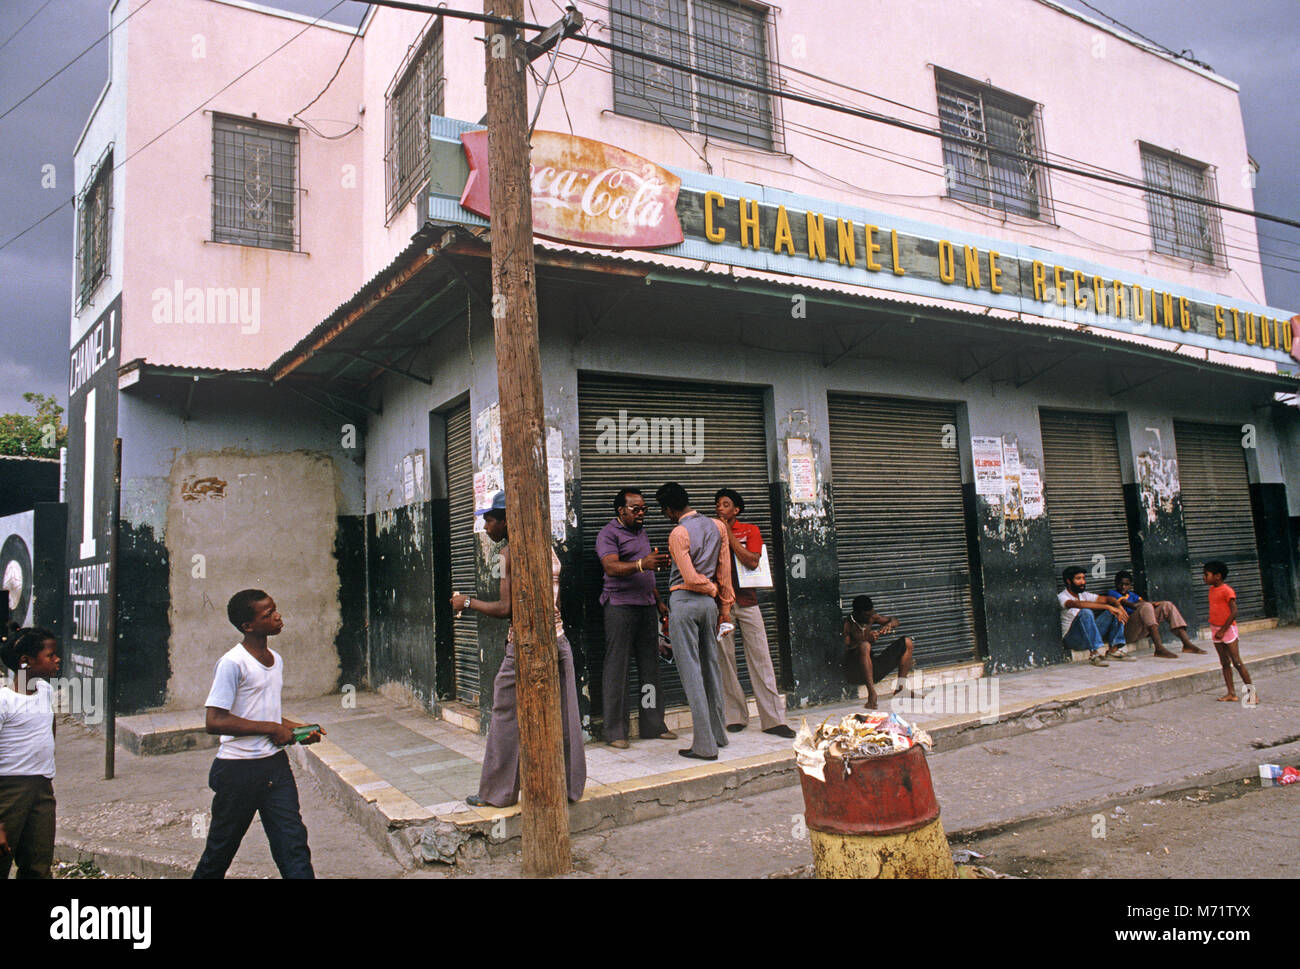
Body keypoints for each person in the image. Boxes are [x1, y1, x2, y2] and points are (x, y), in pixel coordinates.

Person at [452, 491, 587, 807]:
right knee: (567, 713)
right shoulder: (547, 547)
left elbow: (505, 608)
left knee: (504, 712)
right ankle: (570, 788)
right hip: (558, 639)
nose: (485, 526)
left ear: (505, 520)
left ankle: (498, 793)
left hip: (524, 644)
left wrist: (467, 602)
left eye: (489, 519)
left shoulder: (508, 554)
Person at [192, 590, 323, 879]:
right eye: (268, 614)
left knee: (293, 846)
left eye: (275, 609)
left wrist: (297, 731)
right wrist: (272, 729)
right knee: (220, 852)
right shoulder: (232, 663)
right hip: (237, 772)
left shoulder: (275, 659)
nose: (278, 616)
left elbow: (268, 714)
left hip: (274, 768)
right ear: (247, 626)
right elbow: (214, 720)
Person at [656, 481, 733, 761]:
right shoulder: (717, 526)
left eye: (664, 511)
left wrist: (709, 588)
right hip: (708, 608)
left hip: (685, 602)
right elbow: (724, 572)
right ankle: (719, 734)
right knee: (711, 668)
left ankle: (704, 745)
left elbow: (689, 577)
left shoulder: (678, 532)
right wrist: (723, 606)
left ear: (669, 509)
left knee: (691, 673)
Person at [596, 488, 676, 749]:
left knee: (649, 666)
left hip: (645, 606)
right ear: (621, 511)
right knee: (617, 668)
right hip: (619, 606)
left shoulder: (640, 531)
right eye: (636, 509)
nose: (642, 513)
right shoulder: (608, 534)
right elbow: (610, 566)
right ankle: (615, 731)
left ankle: (653, 725)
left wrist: (659, 600)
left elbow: (647, 571)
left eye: (644, 509)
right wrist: (643, 564)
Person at [713, 488, 794, 738]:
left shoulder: (750, 530)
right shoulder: (710, 532)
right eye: (717, 504)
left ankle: (773, 720)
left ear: (736, 510)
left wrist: (729, 535)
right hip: (721, 604)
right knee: (725, 660)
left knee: (761, 658)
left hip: (748, 602)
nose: (719, 509)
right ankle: (735, 716)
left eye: (725, 505)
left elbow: (752, 560)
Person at [0, 628, 60, 879]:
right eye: (50, 655)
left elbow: (49, 729)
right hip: (8, 791)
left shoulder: (45, 690)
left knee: (38, 864)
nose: (57, 659)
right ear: (26, 661)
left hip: (42, 787)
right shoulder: (4, 701)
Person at [1107, 570, 1205, 658]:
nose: (1123, 587)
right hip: (1127, 632)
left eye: (1126, 584)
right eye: (1121, 584)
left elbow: (1144, 603)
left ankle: (1187, 643)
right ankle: (1159, 648)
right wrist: (1151, 604)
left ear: (1130, 585)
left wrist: (1157, 604)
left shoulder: (1132, 595)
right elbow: (1132, 605)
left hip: (1141, 630)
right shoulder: (1112, 594)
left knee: (1167, 605)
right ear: (1116, 584)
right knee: (1146, 606)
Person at [842, 596, 915, 710]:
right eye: (867, 615)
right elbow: (844, 652)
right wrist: (866, 639)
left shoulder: (871, 617)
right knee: (865, 646)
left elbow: (896, 621)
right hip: (855, 671)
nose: (871, 617)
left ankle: (901, 688)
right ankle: (872, 694)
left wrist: (889, 624)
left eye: (872, 614)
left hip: (871, 666)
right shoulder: (847, 625)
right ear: (857, 613)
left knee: (907, 642)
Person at [1204, 560, 1256, 704]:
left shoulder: (1227, 590)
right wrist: (1217, 630)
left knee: (1237, 662)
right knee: (1224, 662)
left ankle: (1252, 695)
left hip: (1227, 630)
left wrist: (1223, 630)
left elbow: (1234, 612)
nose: (1204, 577)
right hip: (1216, 629)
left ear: (1217, 576)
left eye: (1206, 574)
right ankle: (1231, 693)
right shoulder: (1211, 589)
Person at [1059, 566, 1132, 666]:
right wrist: (1107, 607)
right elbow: (1078, 604)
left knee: (1114, 611)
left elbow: (1109, 599)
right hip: (1073, 640)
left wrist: (1118, 606)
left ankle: (1113, 651)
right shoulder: (1062, 597)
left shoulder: (1084, 595)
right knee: (1085, 612)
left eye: (1083, 578)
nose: (1083, 582)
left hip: (1089, 636)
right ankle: (1094, 655)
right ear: (1068, 581)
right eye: (1078, 579)